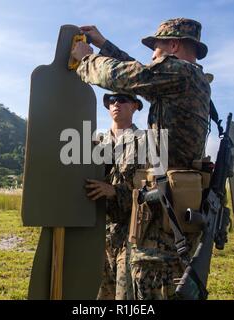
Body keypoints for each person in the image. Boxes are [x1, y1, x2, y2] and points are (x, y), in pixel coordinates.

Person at [72, 18, 212, 299]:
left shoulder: (181, 73)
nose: (153, 55)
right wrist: (104, 45)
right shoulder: (185, 78)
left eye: (156, 48)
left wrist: (86, 61)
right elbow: (142, 74)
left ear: (173, 45)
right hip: (171, 209)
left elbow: (130, 76)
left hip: (165, 222)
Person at [86, 92, 144, 299]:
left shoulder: (145, 142)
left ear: (135, 106)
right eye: (111, 100)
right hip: (98, 231)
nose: (116, 103)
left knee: (125, 297)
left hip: (131, 234)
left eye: (123, 100)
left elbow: (154, 188)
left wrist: (115, 191)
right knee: (99, 295)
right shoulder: (95, 142)